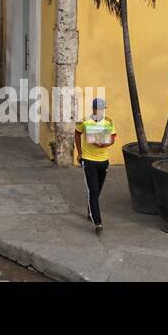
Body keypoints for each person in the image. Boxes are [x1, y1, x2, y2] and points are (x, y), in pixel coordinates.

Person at [74, 97, 117, 233]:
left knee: (97, 189)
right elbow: (77, 133)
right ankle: (97, 222)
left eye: (102, 109)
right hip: (89, 160)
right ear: (93, 109)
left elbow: (113, 137)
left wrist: (106, 143)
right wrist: (80, 153)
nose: (100, 111)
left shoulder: (108, 122)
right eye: (97, 109)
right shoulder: (85, 122)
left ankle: (90, 208)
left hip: (103, 161)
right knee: (92, 190)